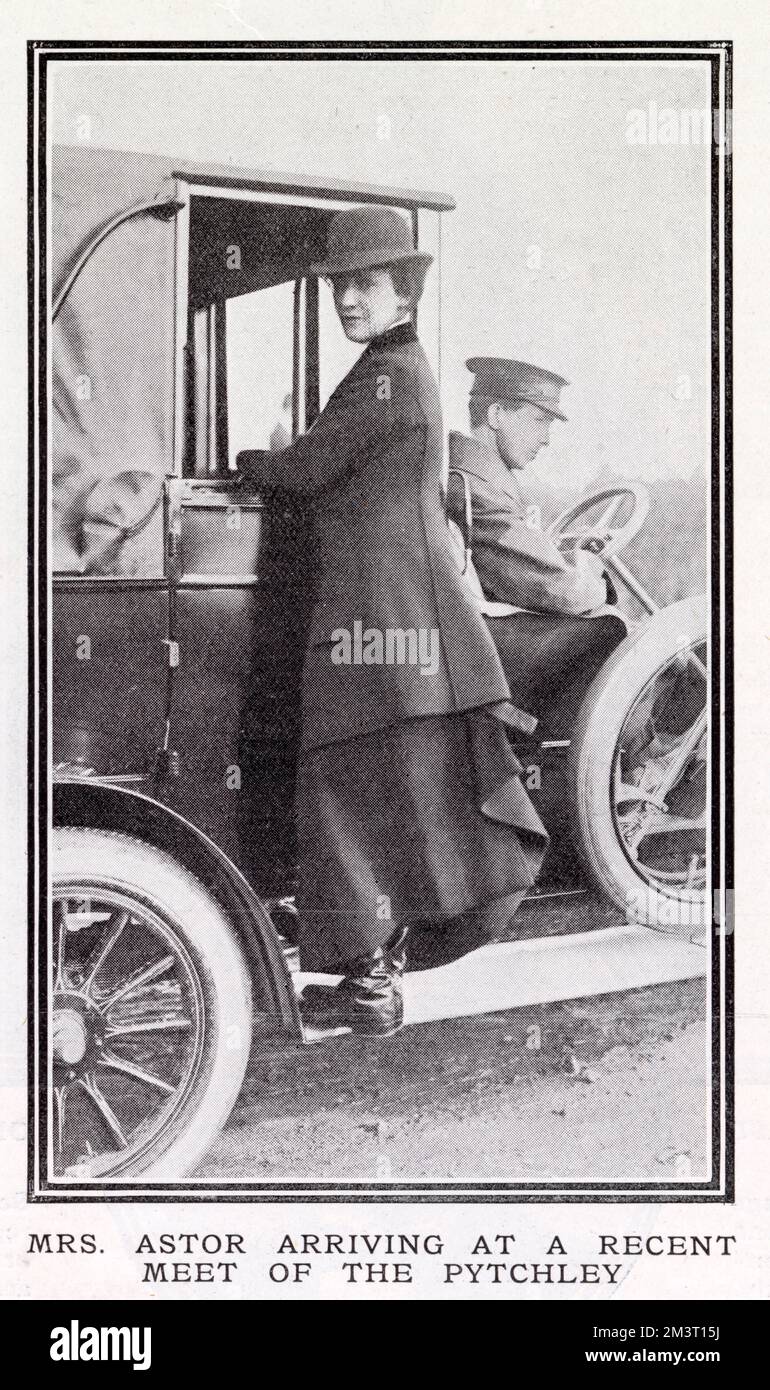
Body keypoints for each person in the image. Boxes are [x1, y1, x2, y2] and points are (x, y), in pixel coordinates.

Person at [236, 209, 547, 1036]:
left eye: (364, 284)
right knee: (379, 795)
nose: (346, 299)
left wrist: (248, 461)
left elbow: (304, 469)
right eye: (340, 285)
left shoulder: (390, 376)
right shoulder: (390, 369)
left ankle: (373, 983)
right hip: (390, 624)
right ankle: (373, 979)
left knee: (351, 790)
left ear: (405, 290)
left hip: (390, 623)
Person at [447, 358, 628, 732]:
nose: (546, 438)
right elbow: (560, 591)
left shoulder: (472, 478)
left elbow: (520, 565)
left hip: (478, 637)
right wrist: (591, 573)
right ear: (496, 414)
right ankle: (640, 758)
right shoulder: (474, 487)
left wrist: (565, 557)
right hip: (482, 650)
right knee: (615, 629)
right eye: (539, 420)